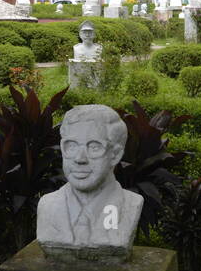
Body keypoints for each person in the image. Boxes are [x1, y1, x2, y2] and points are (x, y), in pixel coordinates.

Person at [36, 104, 142, 260]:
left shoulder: (130, 204)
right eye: (71, 146)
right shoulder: (48, 205)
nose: (80, 159)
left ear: (116, 154)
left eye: (94, 147)